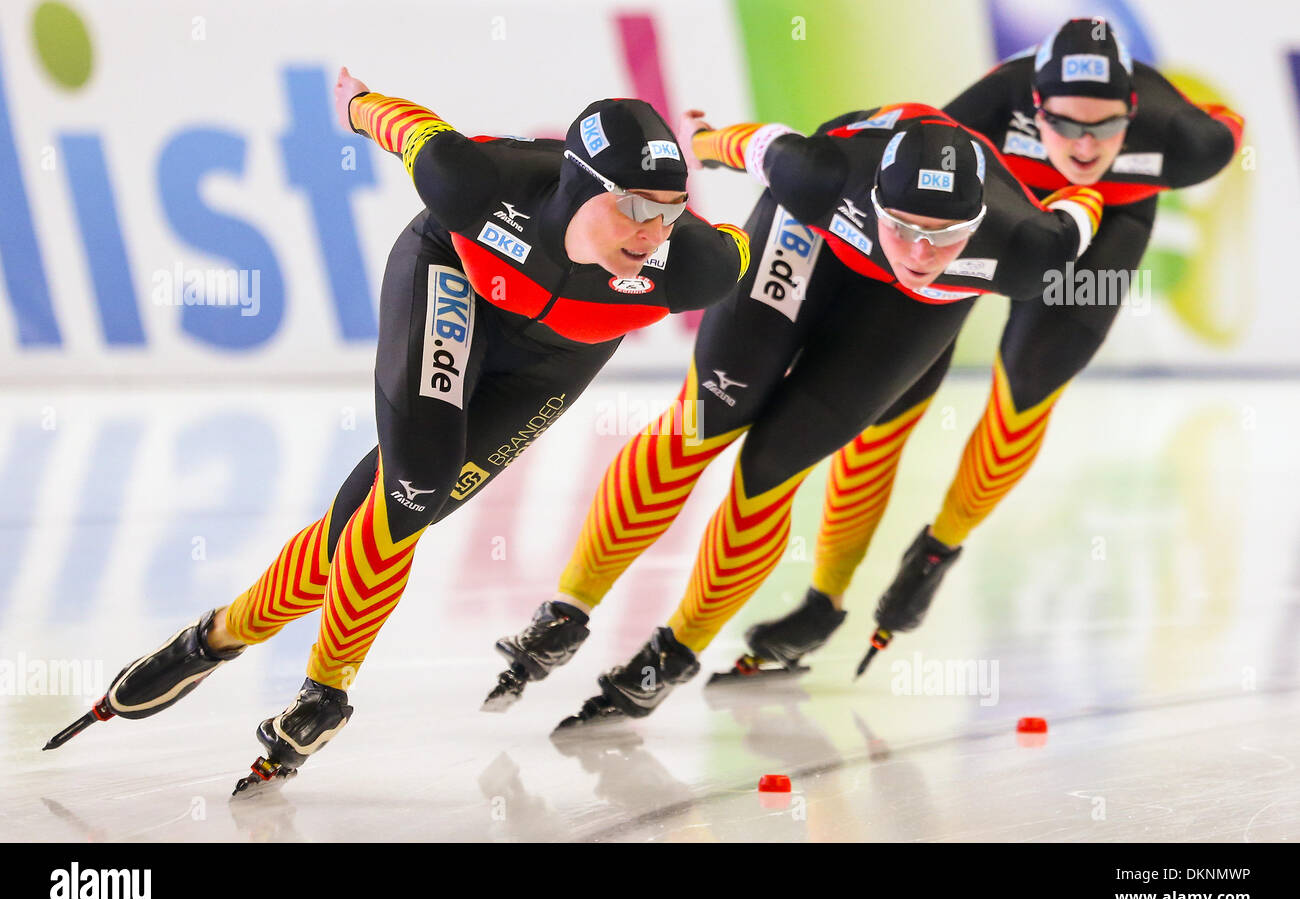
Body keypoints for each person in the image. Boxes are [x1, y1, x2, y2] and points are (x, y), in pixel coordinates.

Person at [44, 67, 750, 790]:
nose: (652, 231)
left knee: (374, 518)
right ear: (579, 186)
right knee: (414, 487)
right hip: (452, 280)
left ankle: (215, 637)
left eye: (671, 210)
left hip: (551, 364)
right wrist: (355, 104)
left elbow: (736, 244)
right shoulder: (477, 185)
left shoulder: (692, 265)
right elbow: (409, 130)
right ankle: (325, 692)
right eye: (636, 206)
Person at [483, 95, 1106, 726]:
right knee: (704, 419)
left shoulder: (1027, 246)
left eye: (945, 237)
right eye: (905, 228)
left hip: (913, 311)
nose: (920, 254)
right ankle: (568, 608)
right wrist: (705, 140)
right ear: (876, 205)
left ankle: (674, 654)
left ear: (976, 224)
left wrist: (1077, 182)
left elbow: (1085, 204)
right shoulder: (820, 172)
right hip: (807, 234)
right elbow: (746, 142)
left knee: (773, 467)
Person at [740, 18, 1243, 678]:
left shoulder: (1184, 141)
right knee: (886, 398)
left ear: (1136, 112)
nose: (1085, 148)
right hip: (979, 228)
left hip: (1103, 226)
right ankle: (823, 599)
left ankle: (935, 553)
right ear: (1033, 107)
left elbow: (1227, 120)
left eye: (1105, 128)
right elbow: (896, 180)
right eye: (1065, 125)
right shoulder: (989, 104)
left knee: (1028, 387)